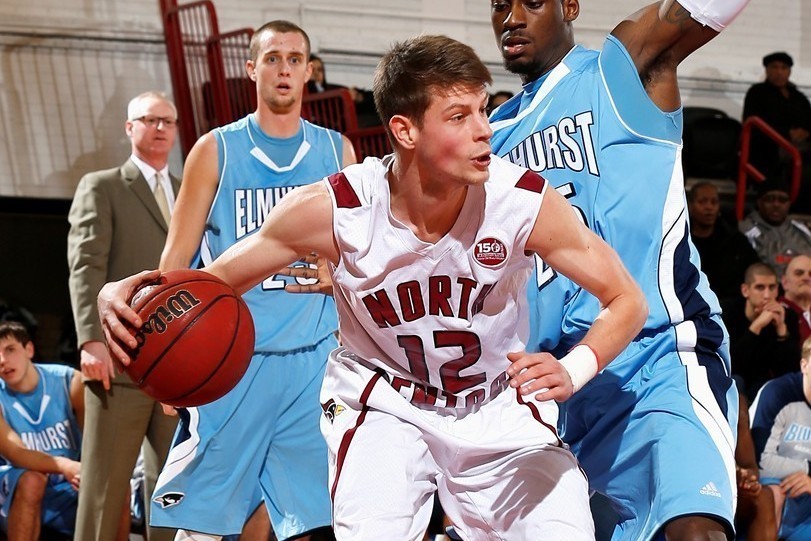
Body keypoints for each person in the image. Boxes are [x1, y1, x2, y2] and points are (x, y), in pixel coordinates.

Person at [97, 34, 647, 540]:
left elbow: (627, 298)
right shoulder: (334, 210)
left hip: (493, 406)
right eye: (459, 116)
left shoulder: (523, 201)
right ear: (405, 130)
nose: (484, 129)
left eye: (482, 109)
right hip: (383, 404)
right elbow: (206, 286)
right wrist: (122, 292)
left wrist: (575, 368)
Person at [488, 1, 749, 538]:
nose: (512, 16)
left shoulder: (621, 68)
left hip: (657, 360)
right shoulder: (485, 144)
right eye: (498, 4)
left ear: (569, 6)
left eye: (532, 2)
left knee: (693, 530)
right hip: (556, 393)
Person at [145, 20, 355, 541]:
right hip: (231, 360)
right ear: (251, 69)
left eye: (293, 59)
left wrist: (340, 271)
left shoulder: (339, 153)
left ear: (309, 71)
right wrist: (168, 354)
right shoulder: (215, 149)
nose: (283, 69)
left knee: (315, 519)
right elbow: (176, 261)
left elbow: (366, 254)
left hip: (315, 363)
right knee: (204, 522)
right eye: (271, 58)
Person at [67, 90, 180, 541]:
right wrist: (92, 339)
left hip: (176, 363)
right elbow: (86, 264)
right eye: (148, 119)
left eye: (166, 121)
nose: (158, 128)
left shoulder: (191, 187)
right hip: (118, 359)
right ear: (129, 128)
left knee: (172, 489)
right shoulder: (103, 185)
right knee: (105, 488)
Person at [0, 322, 83, 540]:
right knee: (32, 480)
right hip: (15, 488)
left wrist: (90, 473)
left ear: (29, 349)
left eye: (10, 350)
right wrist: (67, 466)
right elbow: (16, 454)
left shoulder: (70, 382)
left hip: (68, 484)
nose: (2, 361)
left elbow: (99, 441)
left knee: (115, 484)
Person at [752, 337, 811, 541]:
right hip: (773, 486)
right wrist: (806, 469)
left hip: (806, 501)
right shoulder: (778, 392)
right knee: (771, 494)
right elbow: (759, 460)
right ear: (804, 365)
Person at [742, 51, 811, 210]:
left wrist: (806, 133)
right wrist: (787, 134)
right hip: (768, 148)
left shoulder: (798, 97)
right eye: (774, 67)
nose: (779, 72)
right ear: (766, 70)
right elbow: (752, 122)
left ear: (790, 71)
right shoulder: (757, 93)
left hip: (800, 149)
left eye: (784, 67)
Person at [721, 262, 800, 399]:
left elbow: (791, 371)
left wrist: (781, 330)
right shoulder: (728, 312)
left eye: (772, 287)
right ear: (745, 290)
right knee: (736, 382)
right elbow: (730, 365)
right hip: (733, 382)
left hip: (765, 385)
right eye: (760, 288)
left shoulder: (788, 316)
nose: (767, 295)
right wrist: (756, 326)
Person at [688, 181, 761, 303]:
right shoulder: (679, 239)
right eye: (702, 202)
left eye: (714, 202)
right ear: (690, 205)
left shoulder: (735, 241)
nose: (709, 207)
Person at [739, 178, 811, 277]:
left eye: (782, 200)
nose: (776, 204)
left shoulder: (801, 230)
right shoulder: (744, 230)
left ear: (789, 203)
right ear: (759, 202)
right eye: (769, 199)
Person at [734, 389, 777, 541]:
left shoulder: (736, 401)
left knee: (764, 497)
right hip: (696, 484)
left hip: (731, 490)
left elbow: (750, 468)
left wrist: (744, 478)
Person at [780, 254, 811, 344]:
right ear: (785, 282)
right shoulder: (775, 315)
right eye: (799, 273)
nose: (806, 278)